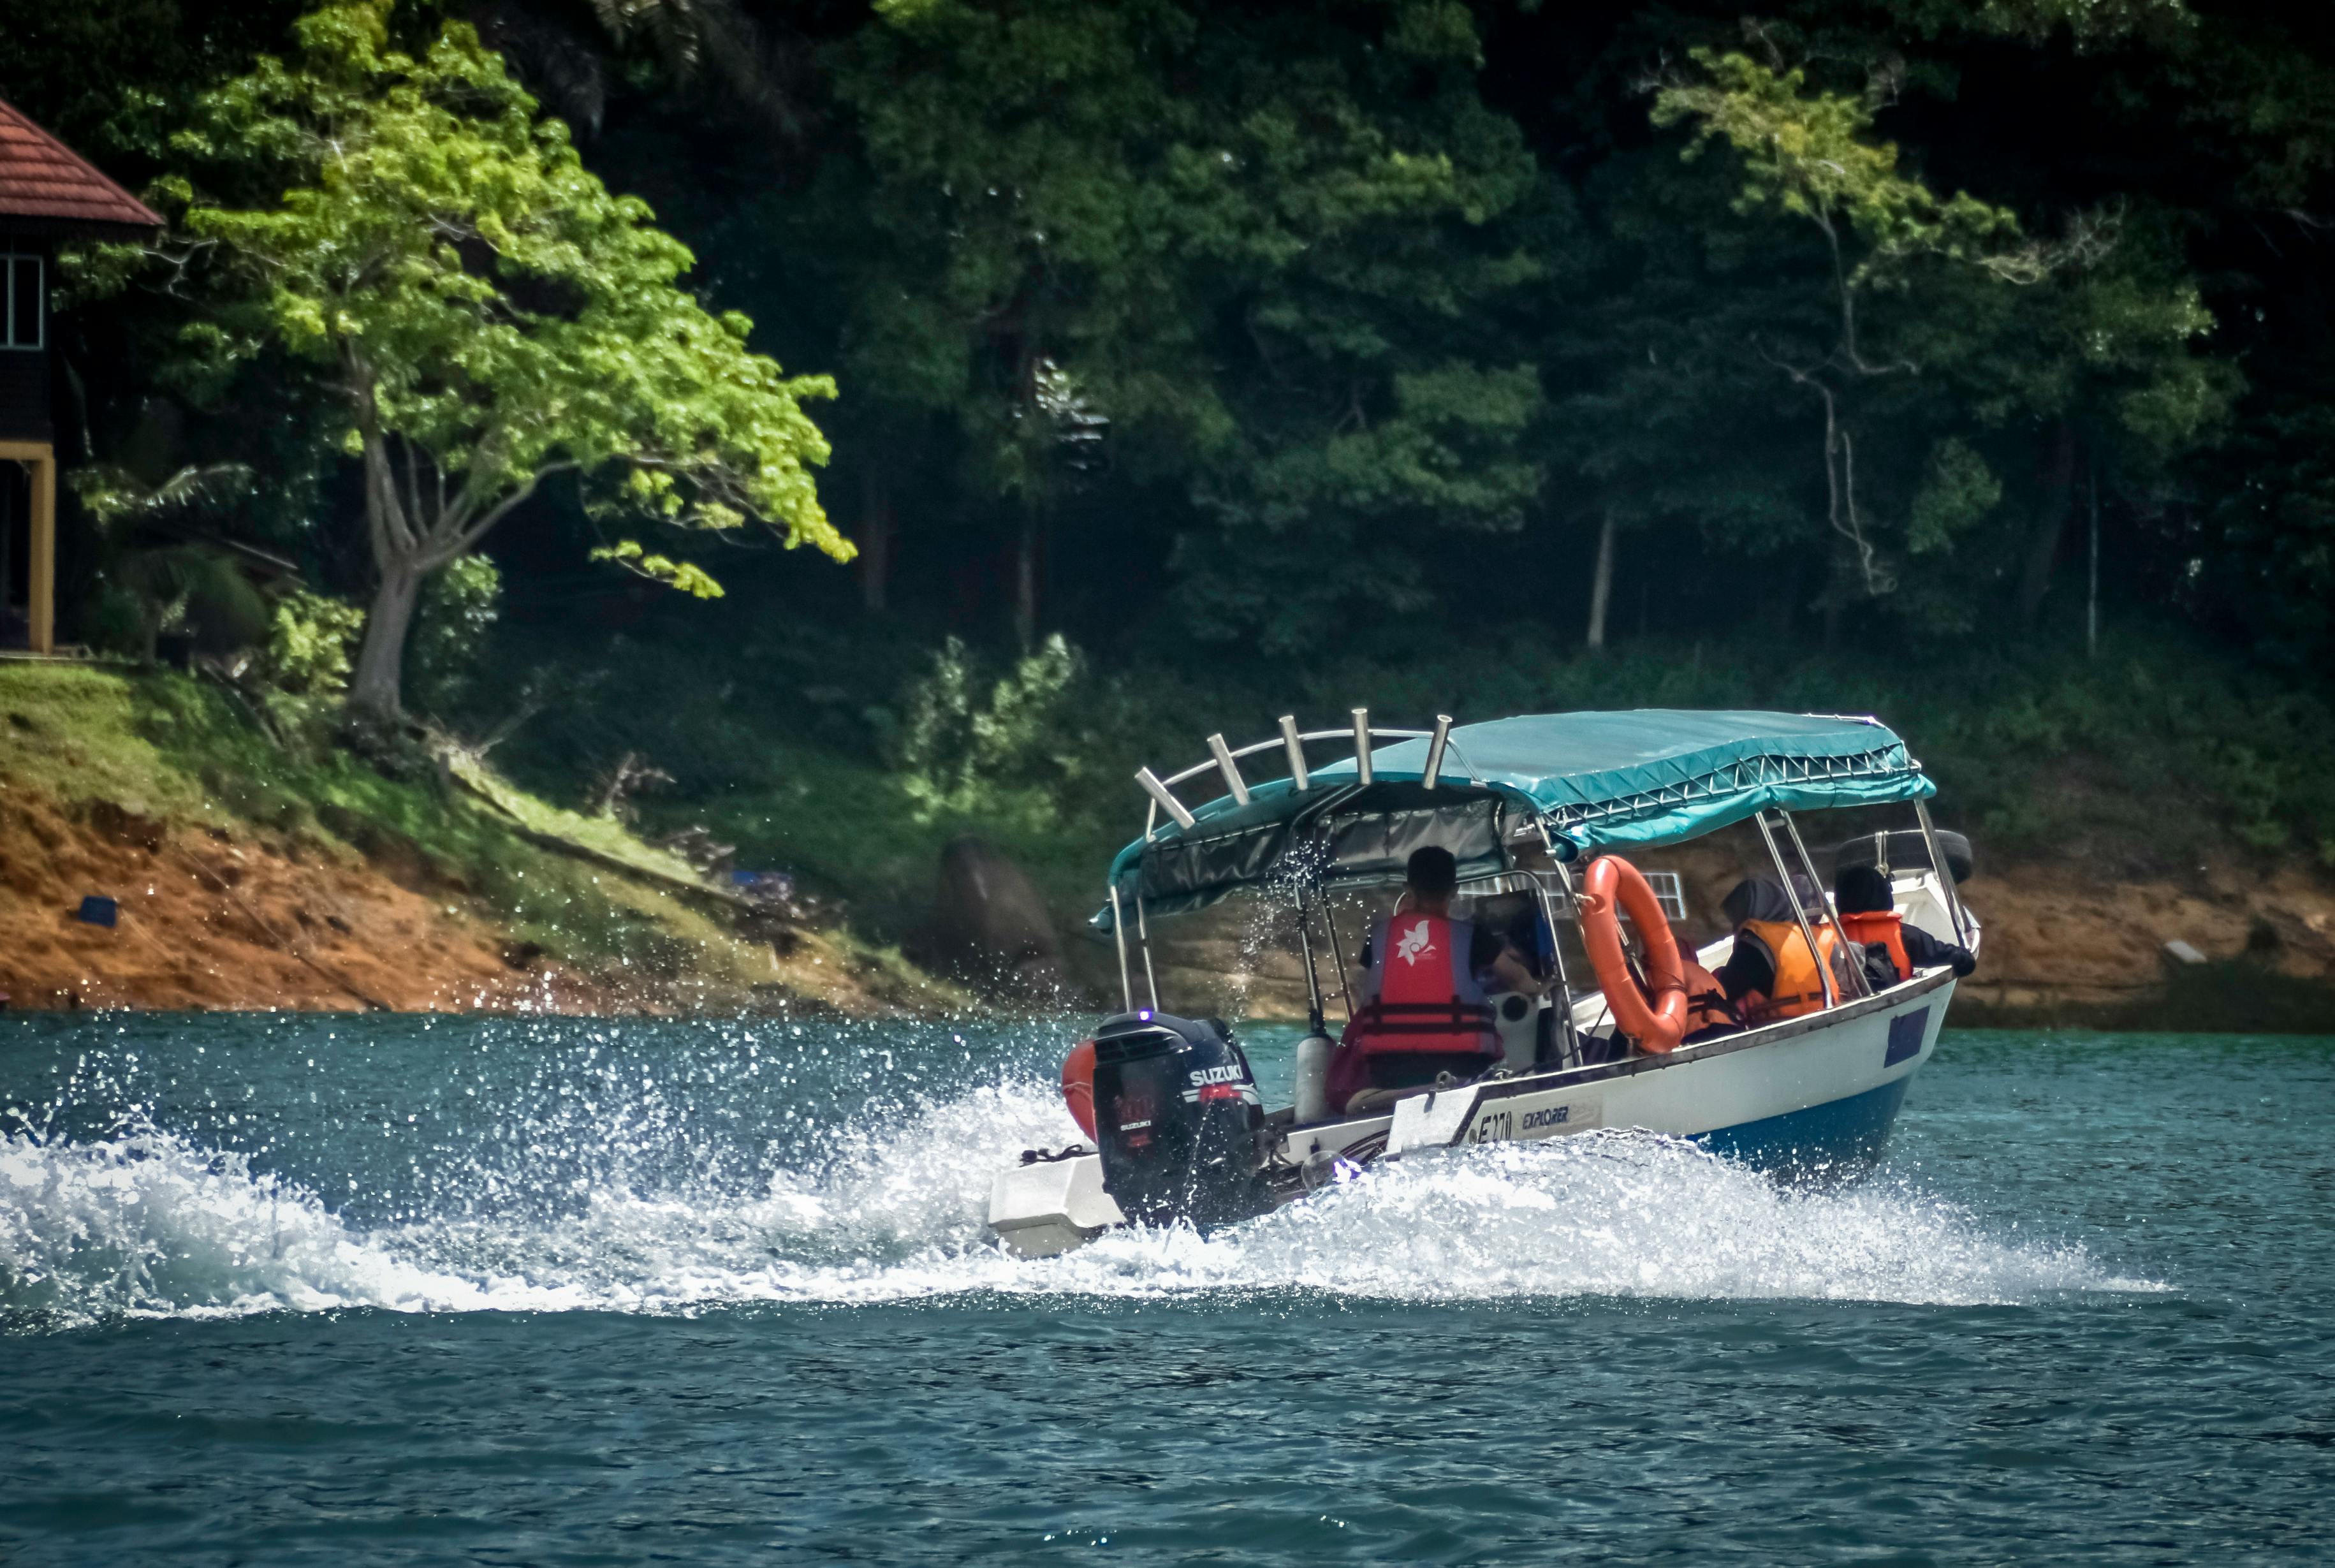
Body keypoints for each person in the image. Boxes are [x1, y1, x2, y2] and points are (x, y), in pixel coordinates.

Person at [1324, 846, 1539, 1110]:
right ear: (1454, 891)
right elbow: (1520, 982)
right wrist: (1539, 986)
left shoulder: (1378, 936)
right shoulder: (1473, 936)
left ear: (1408, 889)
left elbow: (1367, 987)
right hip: (1460, 1064)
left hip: (1389, 1070)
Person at [1712, 876, 1857, 1025]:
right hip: (1830, 1019)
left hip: (1781, 1028)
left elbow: (1725, 991)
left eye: (1737, 917)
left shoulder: (1755, 943)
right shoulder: (1804, 934)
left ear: (1749, 911)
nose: (1734, 926)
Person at [1834, 865, 1977, 983]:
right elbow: (1952, 957)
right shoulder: (1905, 935)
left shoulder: (1829, 938)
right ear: (1885, 895)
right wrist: (1964, 957)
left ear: (1839, 901)